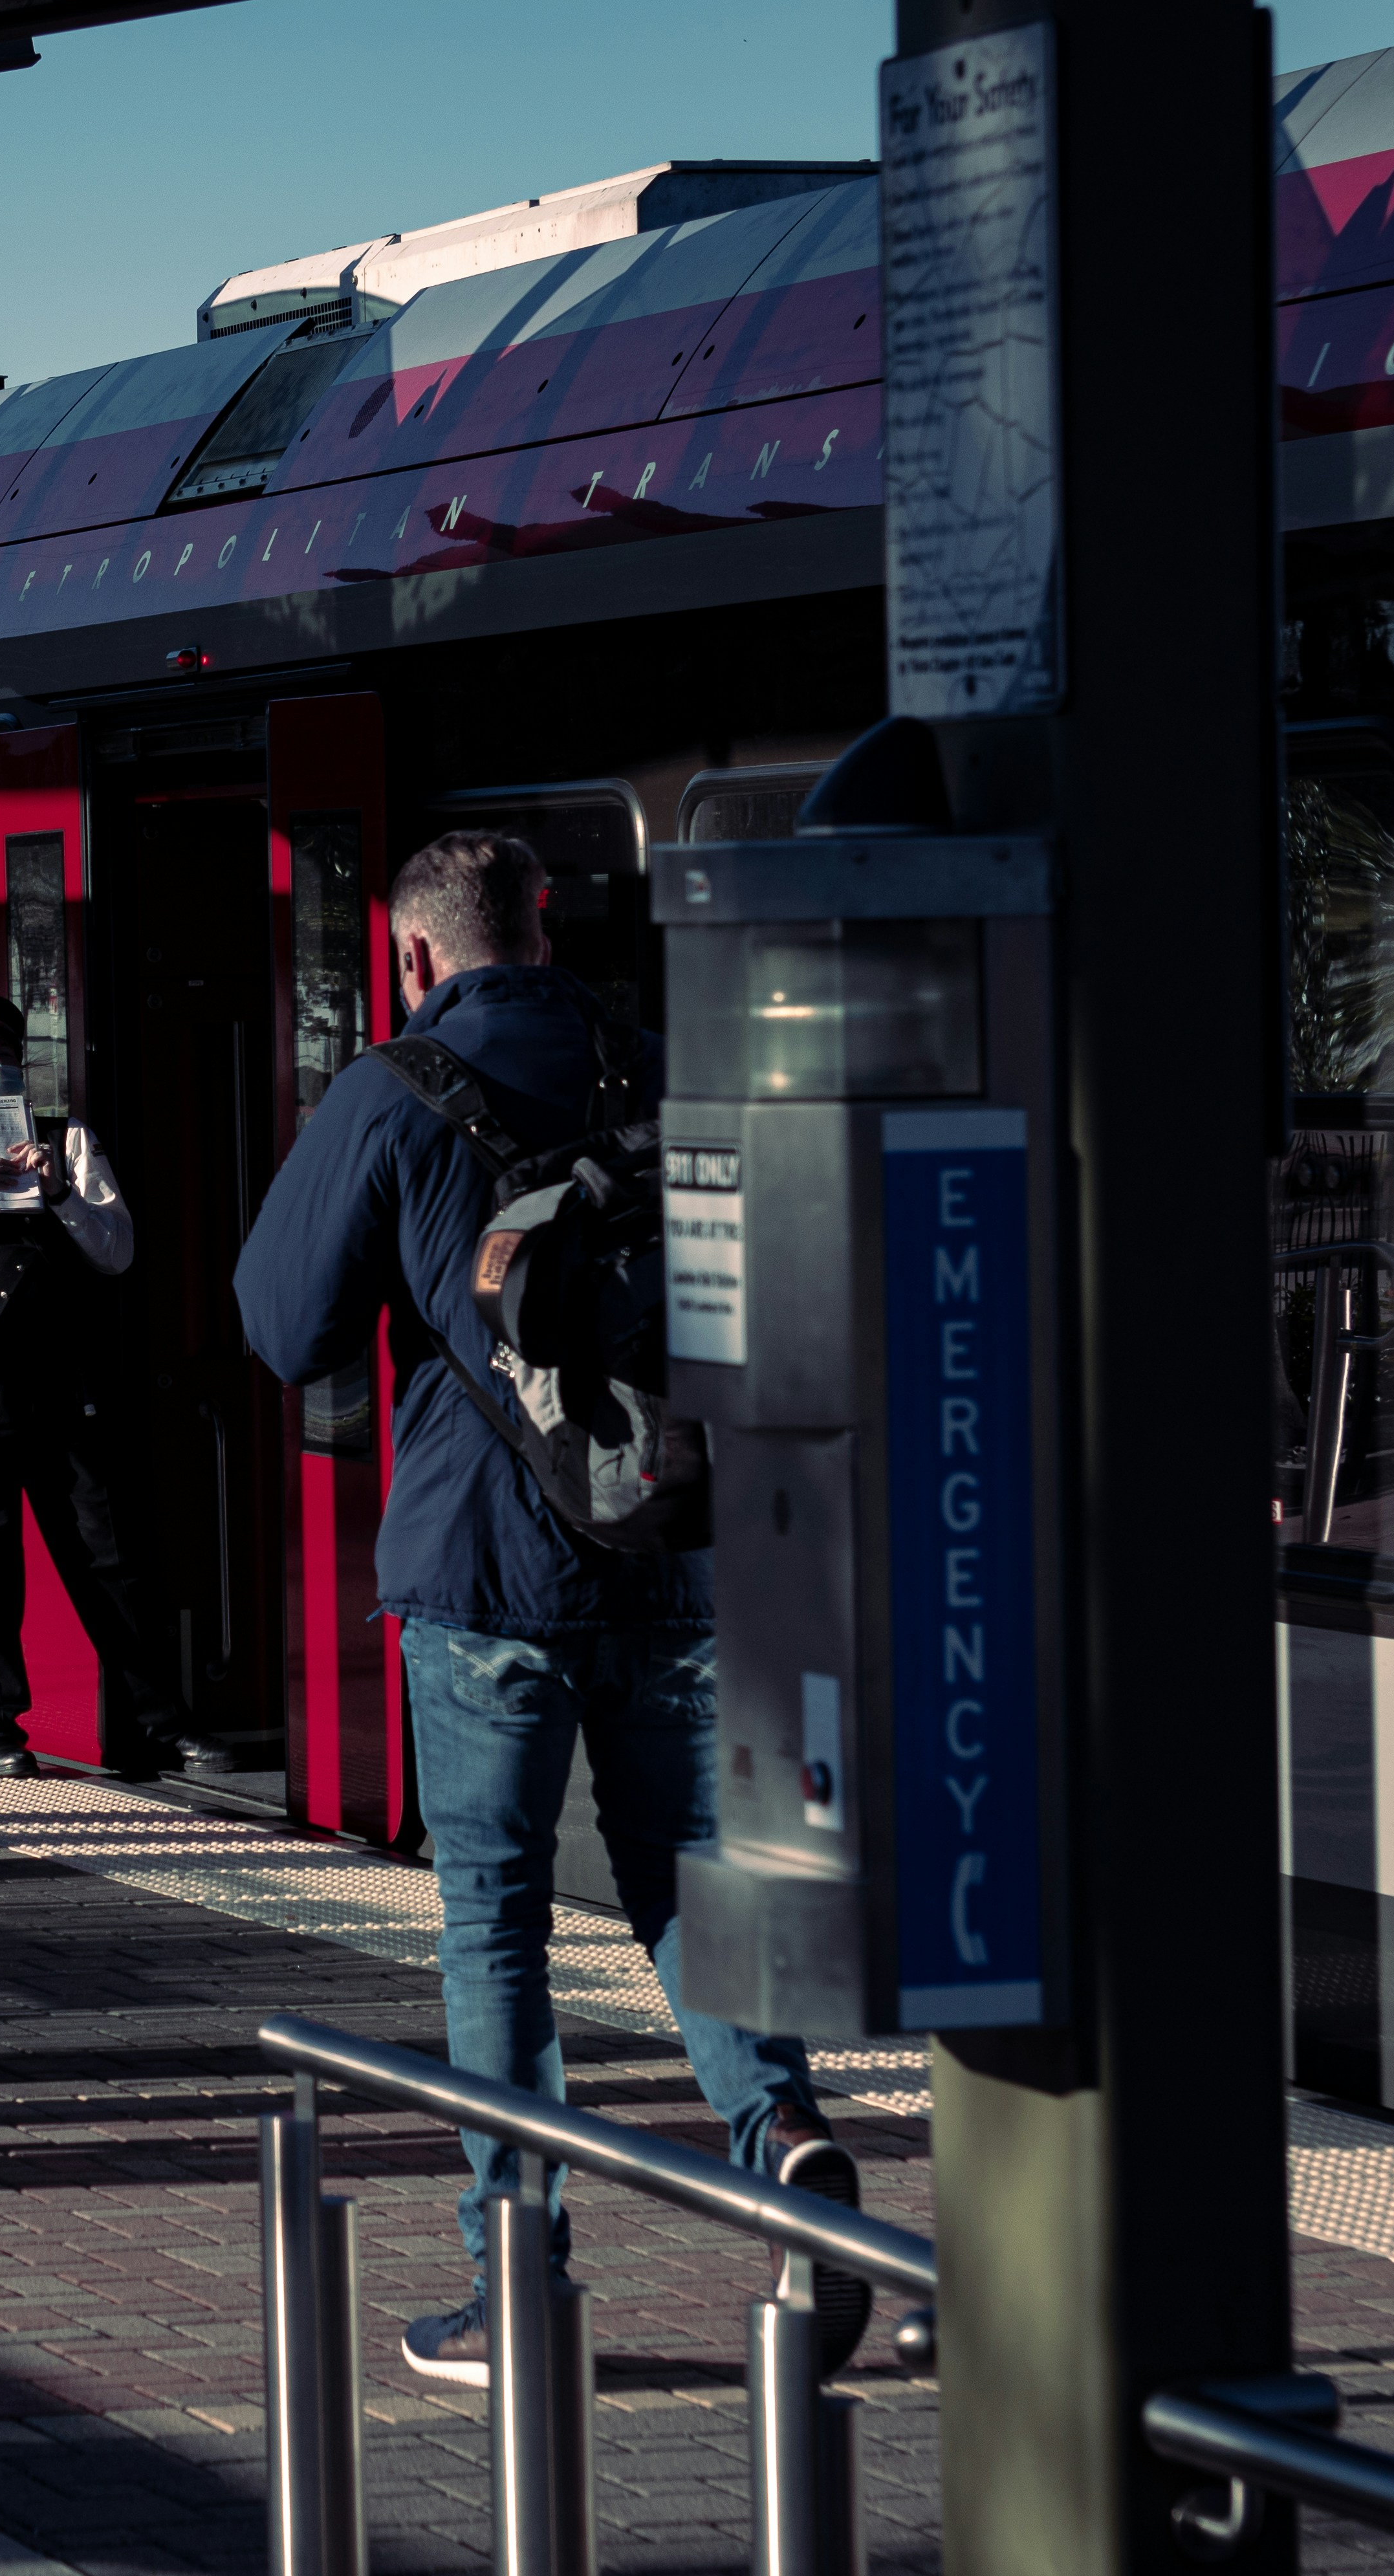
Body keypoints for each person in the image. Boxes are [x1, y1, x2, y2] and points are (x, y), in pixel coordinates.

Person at [232, 830, 860, 2387]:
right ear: (547, 925)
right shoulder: (650, 1065)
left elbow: (280, 1321)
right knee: (692, 1887)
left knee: (496, 1922)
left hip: (485, 1572)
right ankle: (782, 2140)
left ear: (417, 959)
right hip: (670, 1551)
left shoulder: (394, 1089)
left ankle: (514, 2280)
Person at [0, 996, 213, 1781]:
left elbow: (119, 1251)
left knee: (109, 1555)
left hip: (63, 1386)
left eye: (3, 1053)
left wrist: (59, 1191)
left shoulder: (69, 1143)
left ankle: (159, 1723)